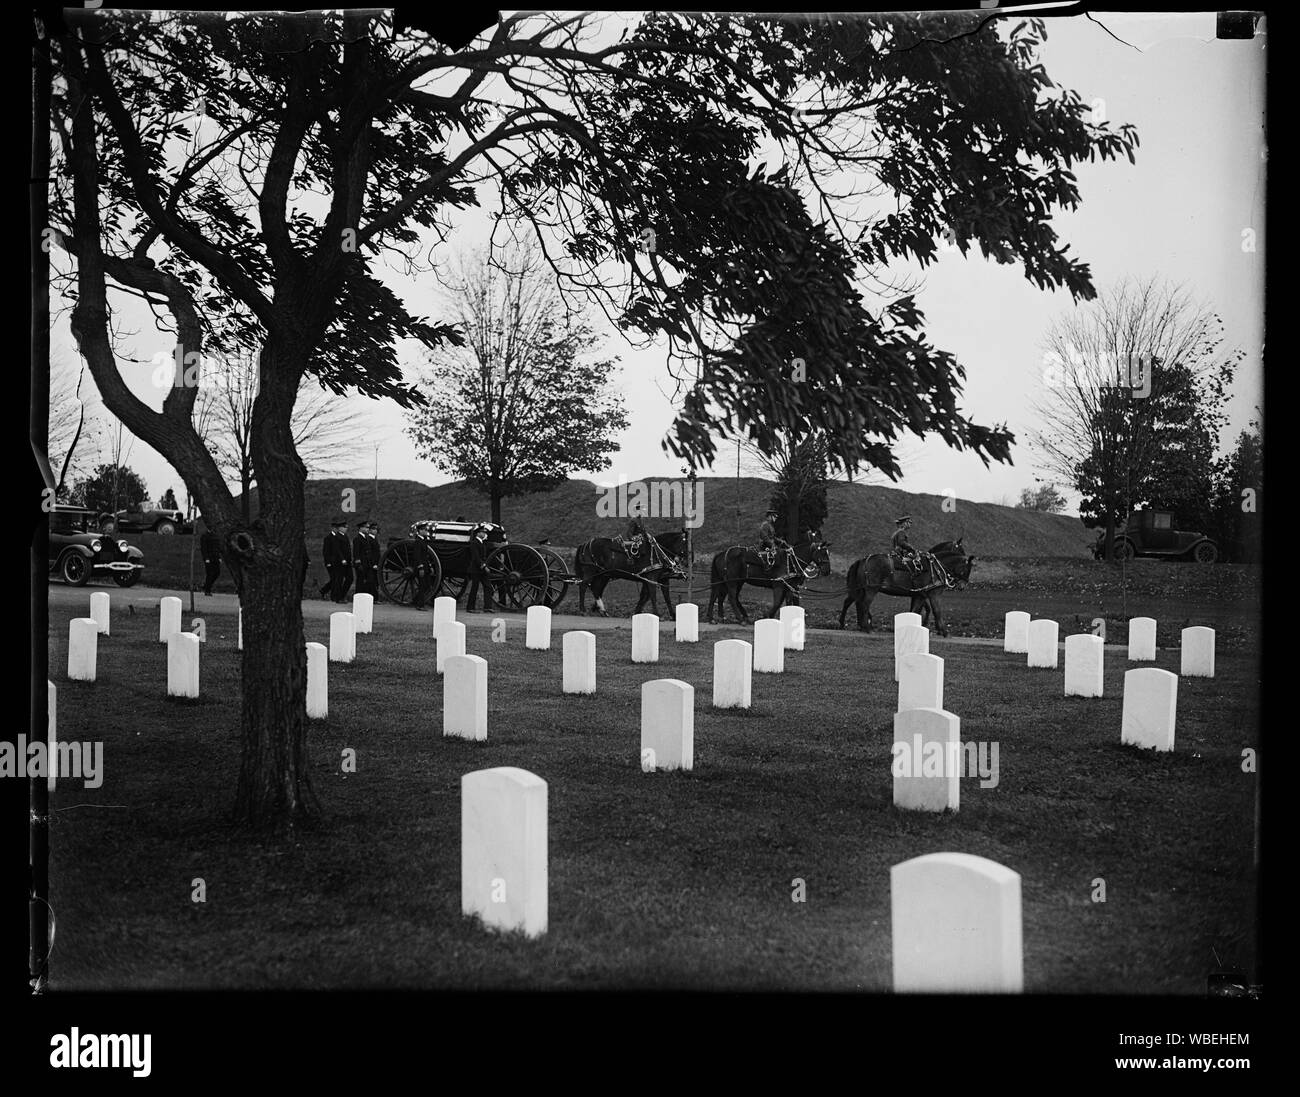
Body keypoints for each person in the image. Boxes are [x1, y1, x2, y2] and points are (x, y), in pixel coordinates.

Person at [321, 517, 353, 602]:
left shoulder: (345, 536)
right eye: (345, 527)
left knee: (346, 579)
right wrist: (329, 561)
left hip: (345, 561)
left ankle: (339, 595)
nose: (346, 529)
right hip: (337, 561)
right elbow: (332, 550)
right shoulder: (333, 538)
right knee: (337, 580)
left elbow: (347, 549)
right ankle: (336, 596)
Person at [464, 524, 494, 612]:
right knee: (474, 588)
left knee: (488, 586)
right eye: (482, 532)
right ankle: (470, 607)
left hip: (481, 569)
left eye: (484, 532)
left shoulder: (482, 543)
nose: (484, 534)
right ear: (477, 533)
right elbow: (476, 557)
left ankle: (488, 606)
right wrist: (484, 566)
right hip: (475, 569)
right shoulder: (474, 543)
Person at [199, 518, 222, 596]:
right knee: (210, 574)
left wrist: (219, 557)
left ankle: (206, 585)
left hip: (215, 557)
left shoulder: (215, 536)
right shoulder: (205, 536)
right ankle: (207, 590)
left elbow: (217, 548)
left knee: (217, 572)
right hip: (209, 558)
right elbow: (204, 548)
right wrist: (206, 558)